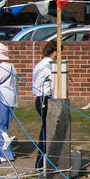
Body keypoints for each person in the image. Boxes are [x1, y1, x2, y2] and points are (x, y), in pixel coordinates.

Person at [32, 39, 58, 169]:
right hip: (44, 99)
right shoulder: (49, 65)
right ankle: (39, 163)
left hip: (39, 98)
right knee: (46, 131)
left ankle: (43, 162)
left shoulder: (39, 63)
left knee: (47, 130)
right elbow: (56, 80)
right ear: (55, 52)